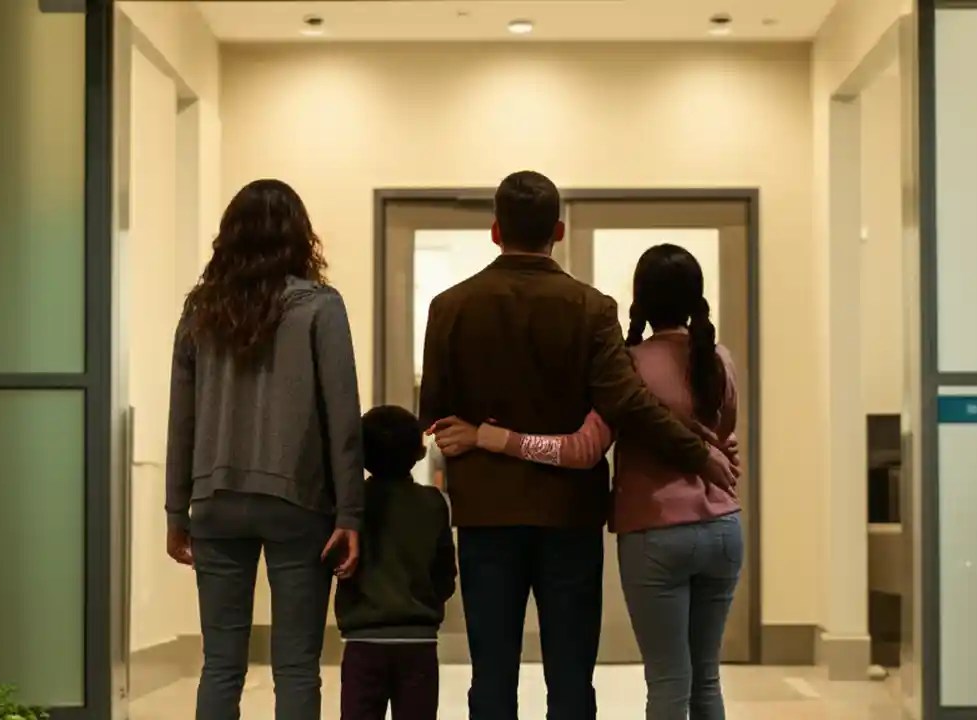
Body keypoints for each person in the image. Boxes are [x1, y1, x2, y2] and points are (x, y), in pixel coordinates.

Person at [417, 171, 724, 720]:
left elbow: (435, 415)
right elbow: (627, 402)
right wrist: (700, 453)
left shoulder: (450, 306)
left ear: (495, 231)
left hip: (486, 513)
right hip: (569, 513)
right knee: (571, 676)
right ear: (557, 231)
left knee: (491, 674)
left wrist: (476, 432)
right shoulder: (591, 307)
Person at [165, 179, 364, 720]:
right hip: (298, 502)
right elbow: (342, 416)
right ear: (300, 237)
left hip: (215, 500)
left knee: (220, 664)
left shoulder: (200, 311)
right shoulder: (321, 307)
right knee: (296, 667)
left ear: (229, 236)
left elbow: (182, 417)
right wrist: (350, 512)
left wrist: (176, 510)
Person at [336, 406, 457, 720]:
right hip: (418, 641)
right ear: (419, 453)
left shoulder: (351, 508)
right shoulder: (432, 504)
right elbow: (445, 575)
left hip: (363, 640)